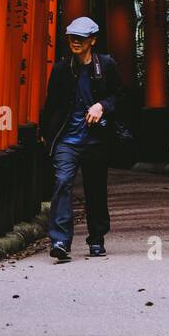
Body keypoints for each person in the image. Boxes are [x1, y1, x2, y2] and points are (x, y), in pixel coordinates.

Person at [39, 15, 124, 263]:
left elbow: (120, 96)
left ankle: (96, 238)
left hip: (96, 138)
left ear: (93, 40)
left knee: (95, 188)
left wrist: (102, 106)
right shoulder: (61, 69)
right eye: (71, 37)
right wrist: (46, 133)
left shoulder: (106, 65)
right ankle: (60, 241)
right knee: (63, 182)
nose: (75, 41)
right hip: (67, 138)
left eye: (81, 38)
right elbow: (51, 104)